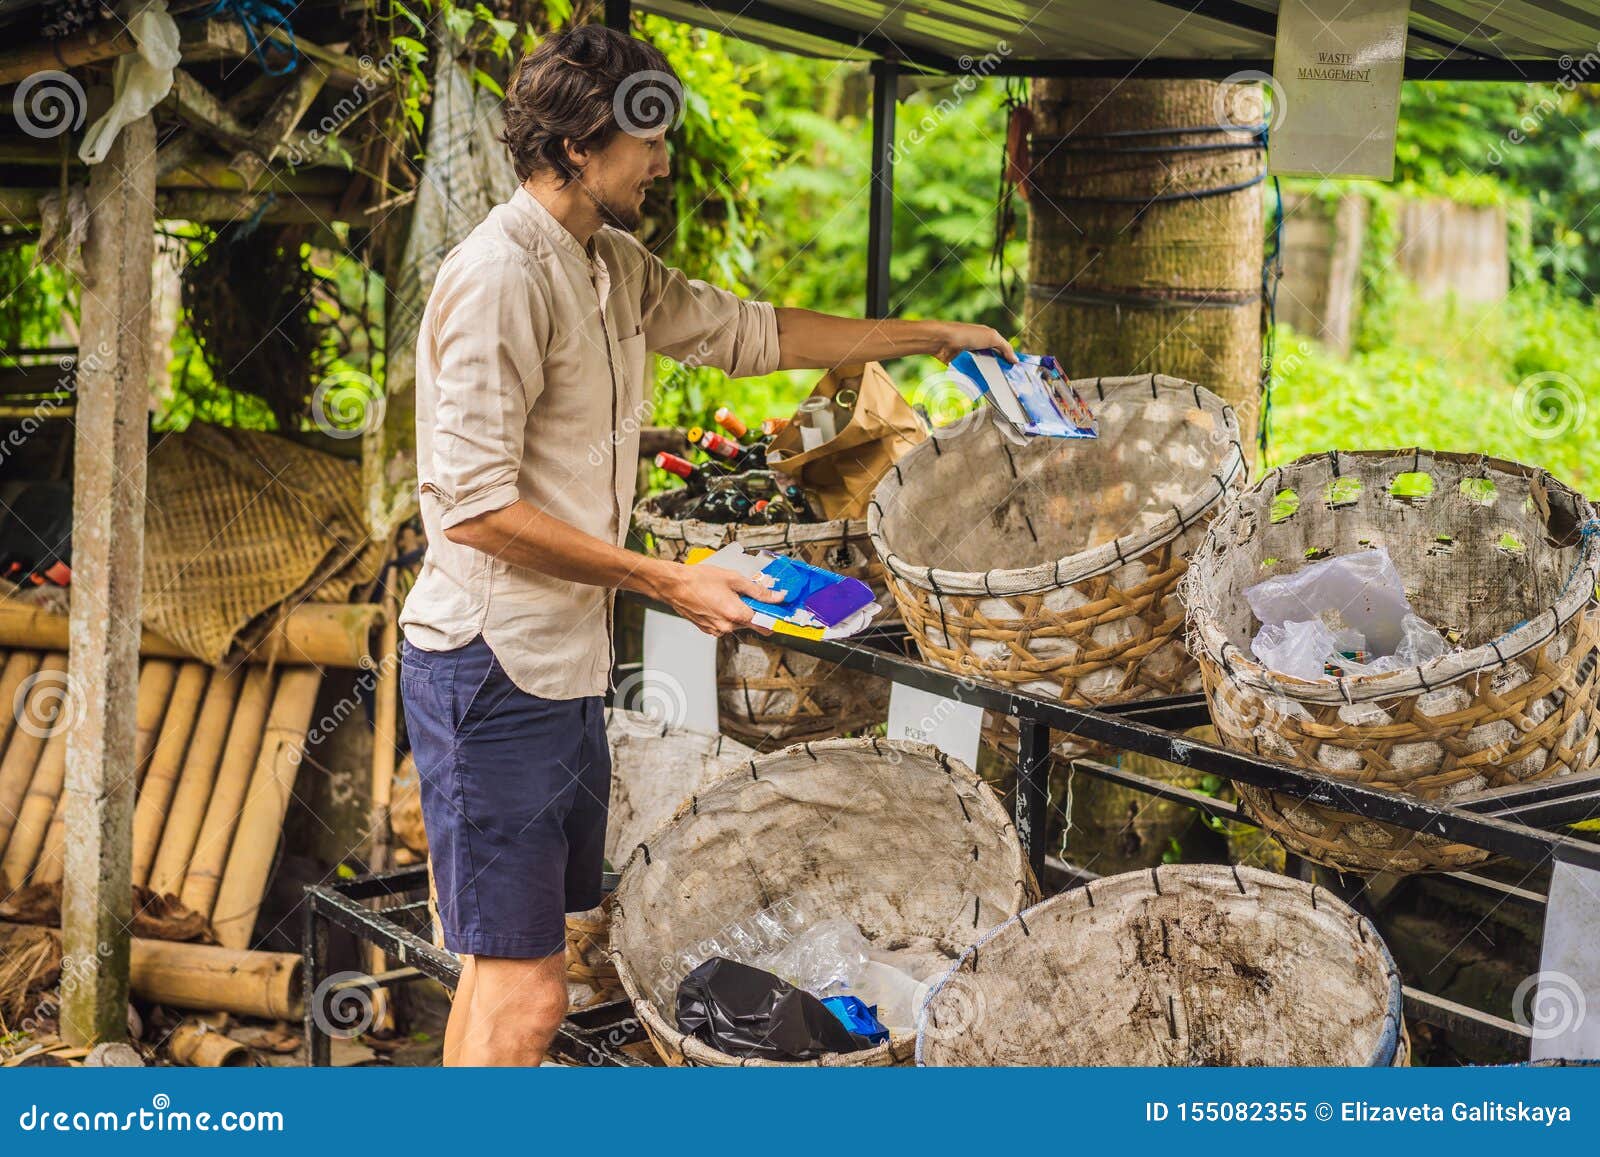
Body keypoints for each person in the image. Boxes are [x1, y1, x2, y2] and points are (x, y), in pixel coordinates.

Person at [398, 23, 1016, 1067]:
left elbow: (756, 333)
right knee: (530, 1000)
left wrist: (934, 336)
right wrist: (664, 578)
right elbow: (469, 508)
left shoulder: (607, 264)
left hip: (555, 667)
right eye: (646, 136)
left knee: (499, 975)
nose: (664, 157)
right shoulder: (501, 275)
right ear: (578, 147)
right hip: (492, 670)